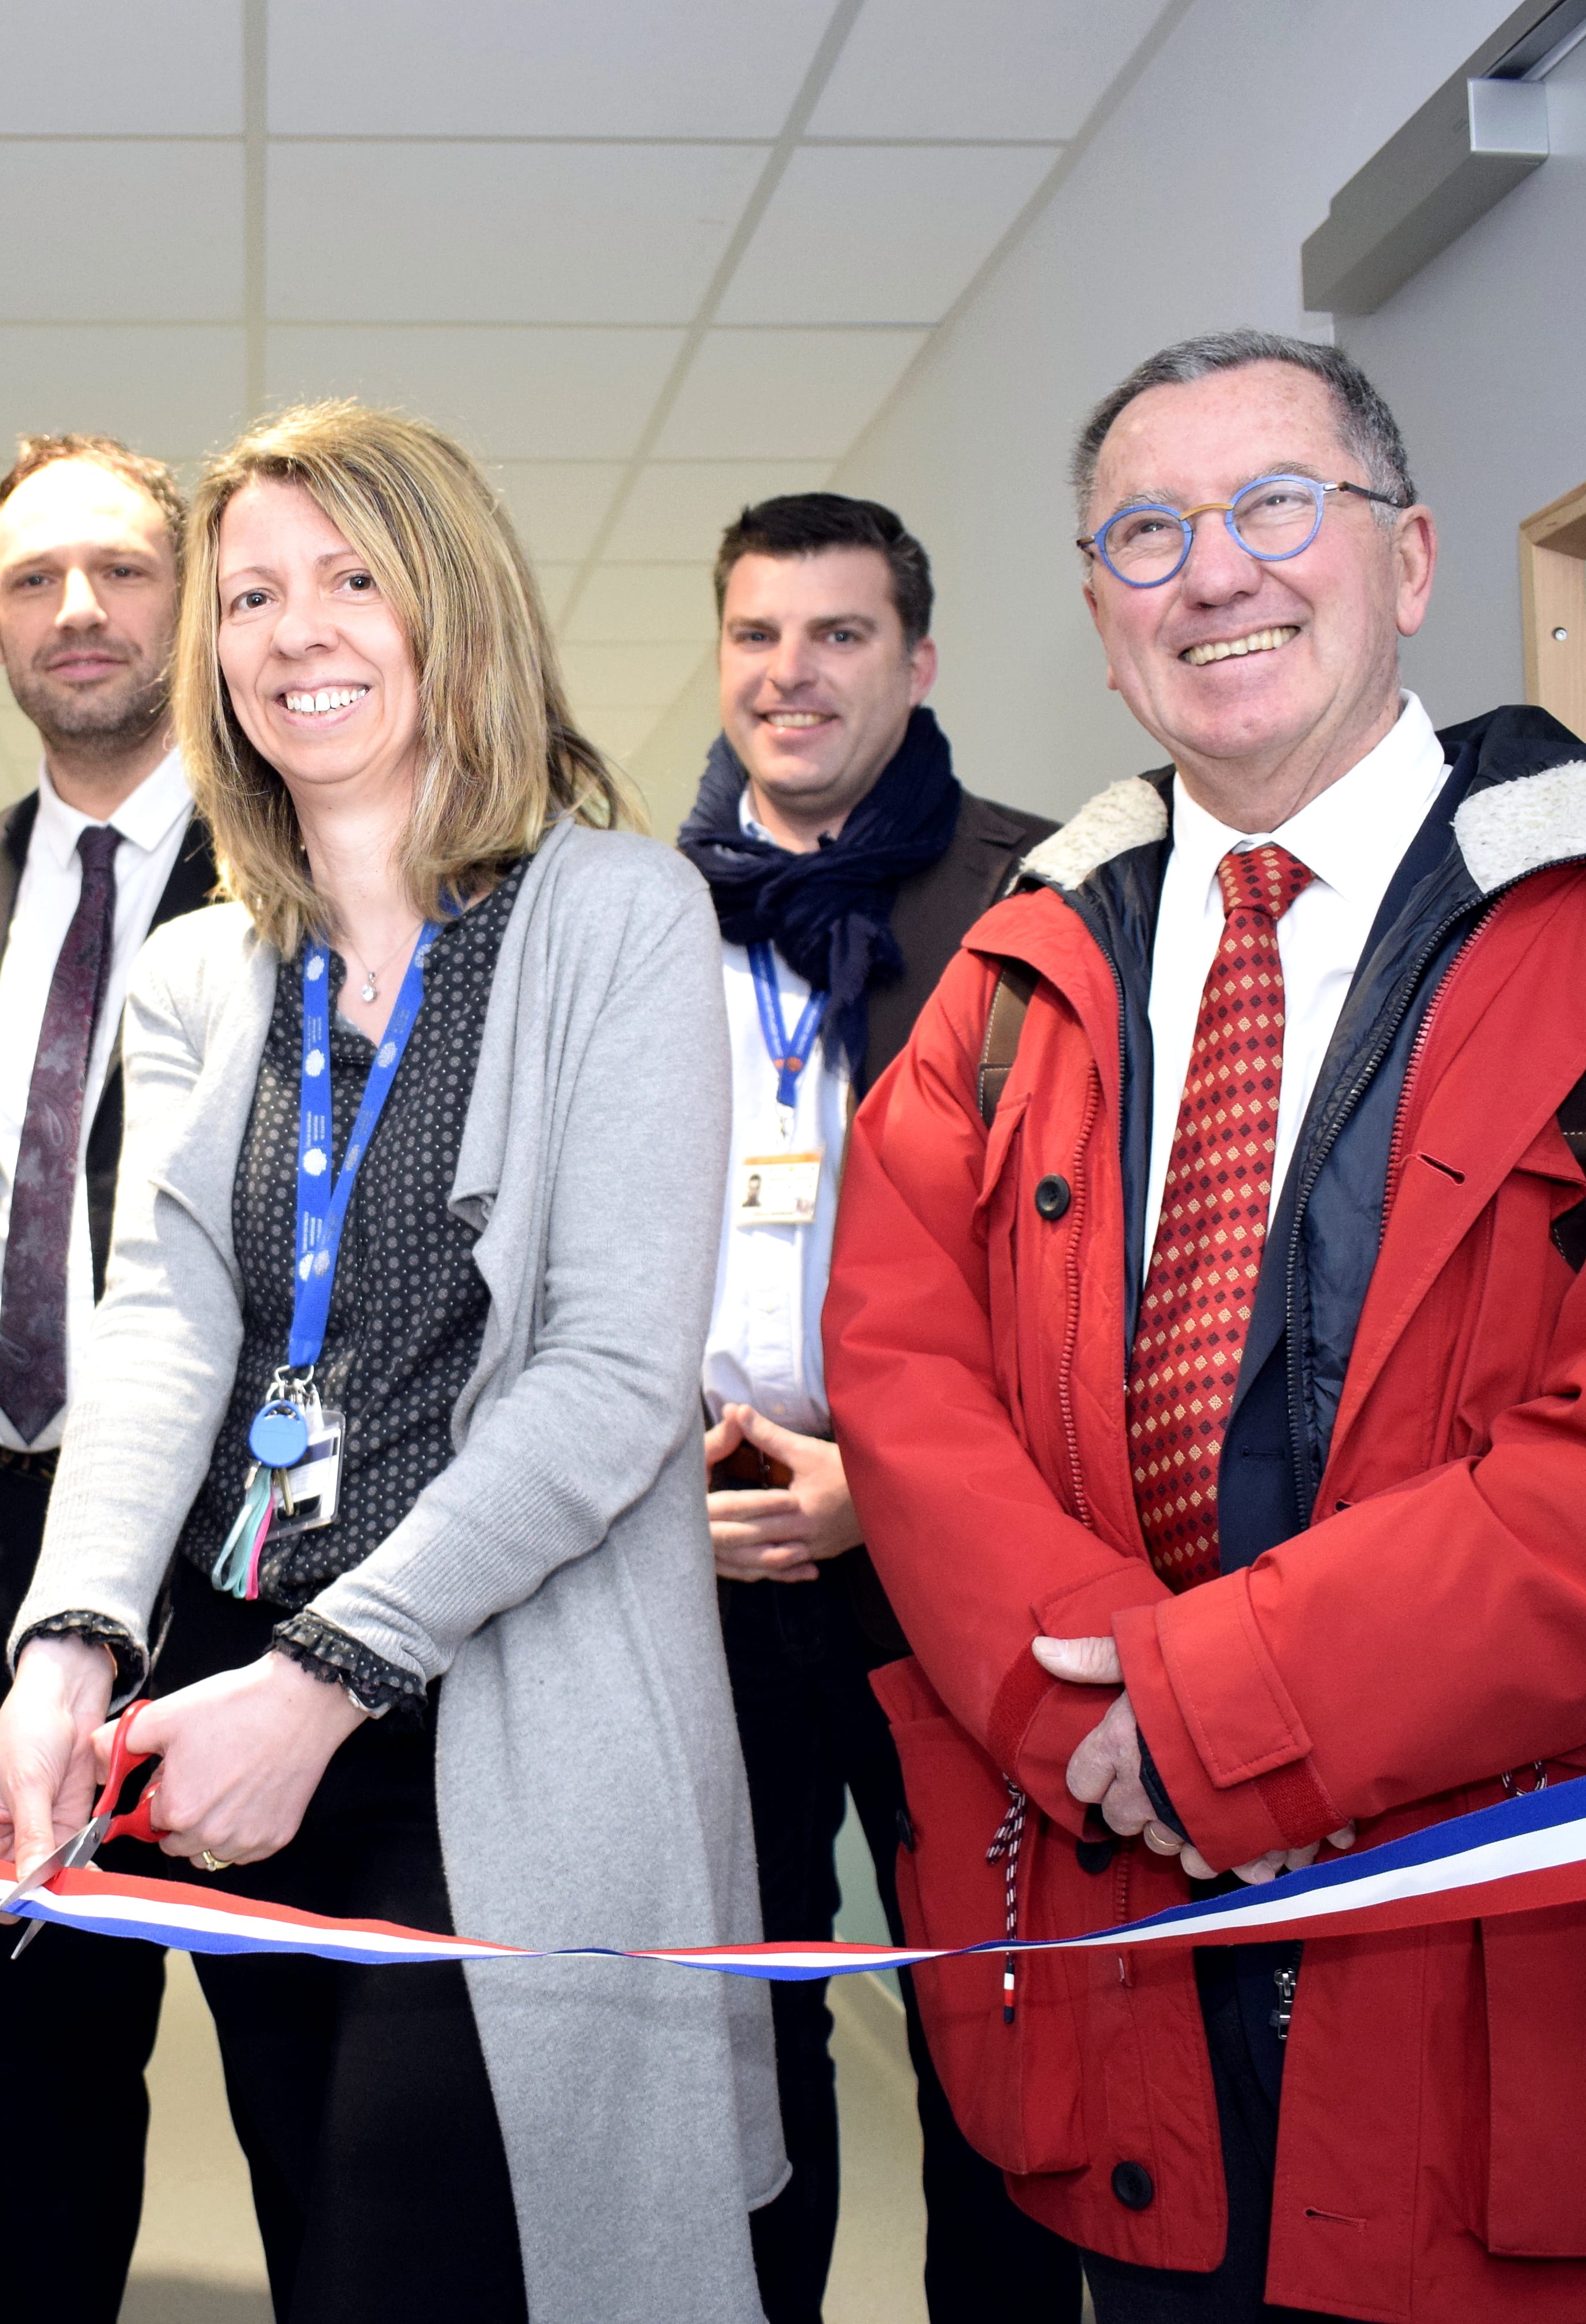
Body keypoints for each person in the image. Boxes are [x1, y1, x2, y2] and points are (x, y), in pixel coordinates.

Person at [829, 329, 1586, 2322]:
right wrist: (1102, 1731)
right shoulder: (1001, 993)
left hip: (1523, 1994)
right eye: (1148, 532)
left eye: (1273, 508)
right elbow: (905, 1393)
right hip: (1122, 1956)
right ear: (1098, 611)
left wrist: (1219, 1709)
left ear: (1405, 562)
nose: (1213, 571)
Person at [0, 399, 780, 2324]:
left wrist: (322, 1686)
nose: (294, 630)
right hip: (239, 1722)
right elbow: (165, 1334)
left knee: (458, 2248)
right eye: (248, 595)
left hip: (511, 1708)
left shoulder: (620, 918)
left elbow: (610, 1382)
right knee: (328, 2231)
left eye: (350, 579)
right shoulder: (205, 972)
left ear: (454, 611)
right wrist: (64, 1659)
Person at [670, 493, 1072, 2323]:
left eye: (839, 637)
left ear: (918, 662)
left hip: (948, 1547)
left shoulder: (1043, 894)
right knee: (743, 2011)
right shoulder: (631, 909)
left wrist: (893, 1480)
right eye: (759, 635)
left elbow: (1086, 1272)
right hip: (700, 1528)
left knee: (981, 1997)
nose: (792, 674)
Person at [0, 432, 214, 2319]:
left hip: (233, 1566)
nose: (77, 610)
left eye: (120, 570)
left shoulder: (298, 870)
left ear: (190, 588)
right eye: (31, 580)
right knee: (37, 2063)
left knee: (302, 2047)